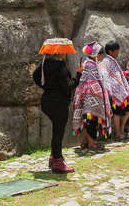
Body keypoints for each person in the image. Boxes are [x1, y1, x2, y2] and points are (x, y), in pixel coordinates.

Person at [33, 38, 81, 174]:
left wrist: (46, 87)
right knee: (58, 133)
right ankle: (58, 163)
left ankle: (54, 156)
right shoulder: (60, 67)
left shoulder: (44, 65)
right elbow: (69, 86)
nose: (66, 54)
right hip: (58, 103)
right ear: (59, 53)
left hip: (47, 101)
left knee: (56, 131)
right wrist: (78, 74)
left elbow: (35, 76)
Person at [72, 41, 112, 151]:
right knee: (90, 122)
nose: (100, 57)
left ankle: (84, 142)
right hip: (90, 98)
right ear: (95, 54)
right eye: (100, 54)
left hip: (87, 97)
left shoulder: (89, 63)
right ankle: (91, 142)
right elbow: (90, 82)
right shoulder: (90, 65)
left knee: (86, 121)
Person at [100, 40, 129, 141]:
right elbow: (106, 77)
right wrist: (111, 90)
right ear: (110, 51)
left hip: (121, 92)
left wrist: (123, 74)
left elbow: (116, 74)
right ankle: (118, 134)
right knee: (117, 113)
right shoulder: (105, 62)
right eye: (116, 50)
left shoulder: (112, 61)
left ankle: (121, 129)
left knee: (127, 111)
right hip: (113, 93)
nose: (118, 52)